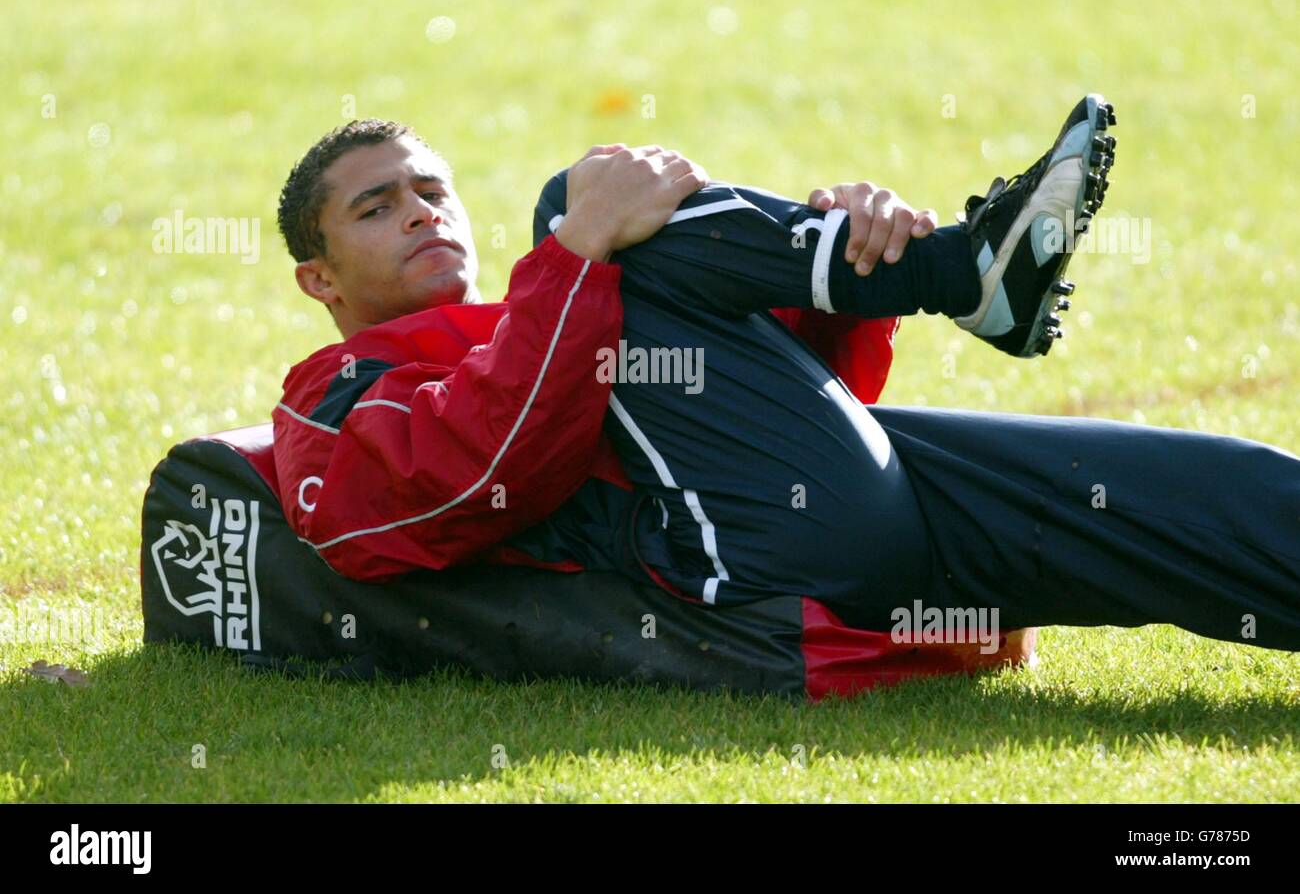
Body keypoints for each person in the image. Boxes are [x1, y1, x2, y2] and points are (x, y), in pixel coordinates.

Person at [273, 96, 1300, 653]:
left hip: (843, 522)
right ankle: (958, 272)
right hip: (735, 577)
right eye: (375, 207)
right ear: (317, 277)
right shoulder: (329, 390)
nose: (420, 212)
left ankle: (934, 269)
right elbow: (476, 472)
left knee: (1218, 487)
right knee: (573, 196)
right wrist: (577, 248)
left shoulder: (539, 305)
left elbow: (770, 412)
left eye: (432, 190)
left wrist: (838, 265)